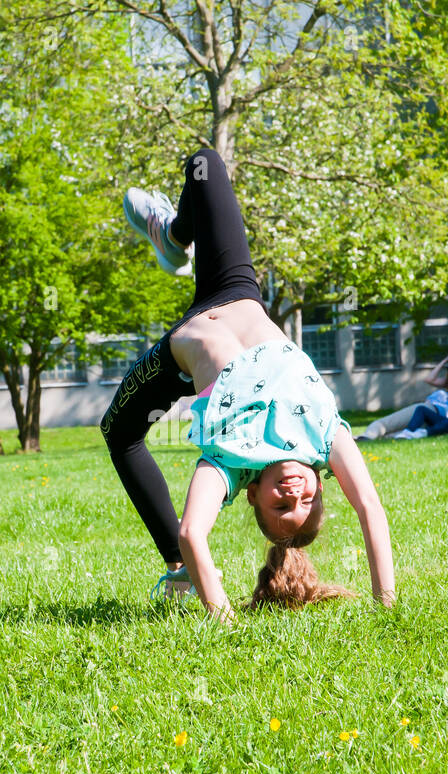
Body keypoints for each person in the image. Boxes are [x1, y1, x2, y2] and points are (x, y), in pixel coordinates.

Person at [101, 148, 395, 620]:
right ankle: (173, 237)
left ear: (255, 496)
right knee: (205, 165)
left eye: (282, 506)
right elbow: (370, 509)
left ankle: (180, 573)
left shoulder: (232, 463)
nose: (294, 493)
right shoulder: (325, 436)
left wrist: (220, 612)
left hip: (178, 354)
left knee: (118, 432)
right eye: (306, 499)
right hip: (235, 290)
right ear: (322, 484)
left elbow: (193, 532)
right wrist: (388, 608)